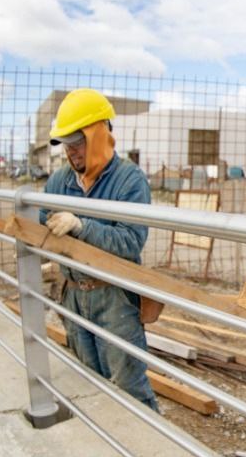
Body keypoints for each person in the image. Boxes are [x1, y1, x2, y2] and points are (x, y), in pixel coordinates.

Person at [40, 88, 159, 412]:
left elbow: (131, 241)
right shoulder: (60, 181)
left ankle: (150, 449)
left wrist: (81, 226)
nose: (72, 153)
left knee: (128, 385)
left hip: (114, 298)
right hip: (73, 294)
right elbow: (41, 225)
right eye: (67, 145)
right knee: (86, 381)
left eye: (78, 143)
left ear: (99, 135)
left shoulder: (129, 181)